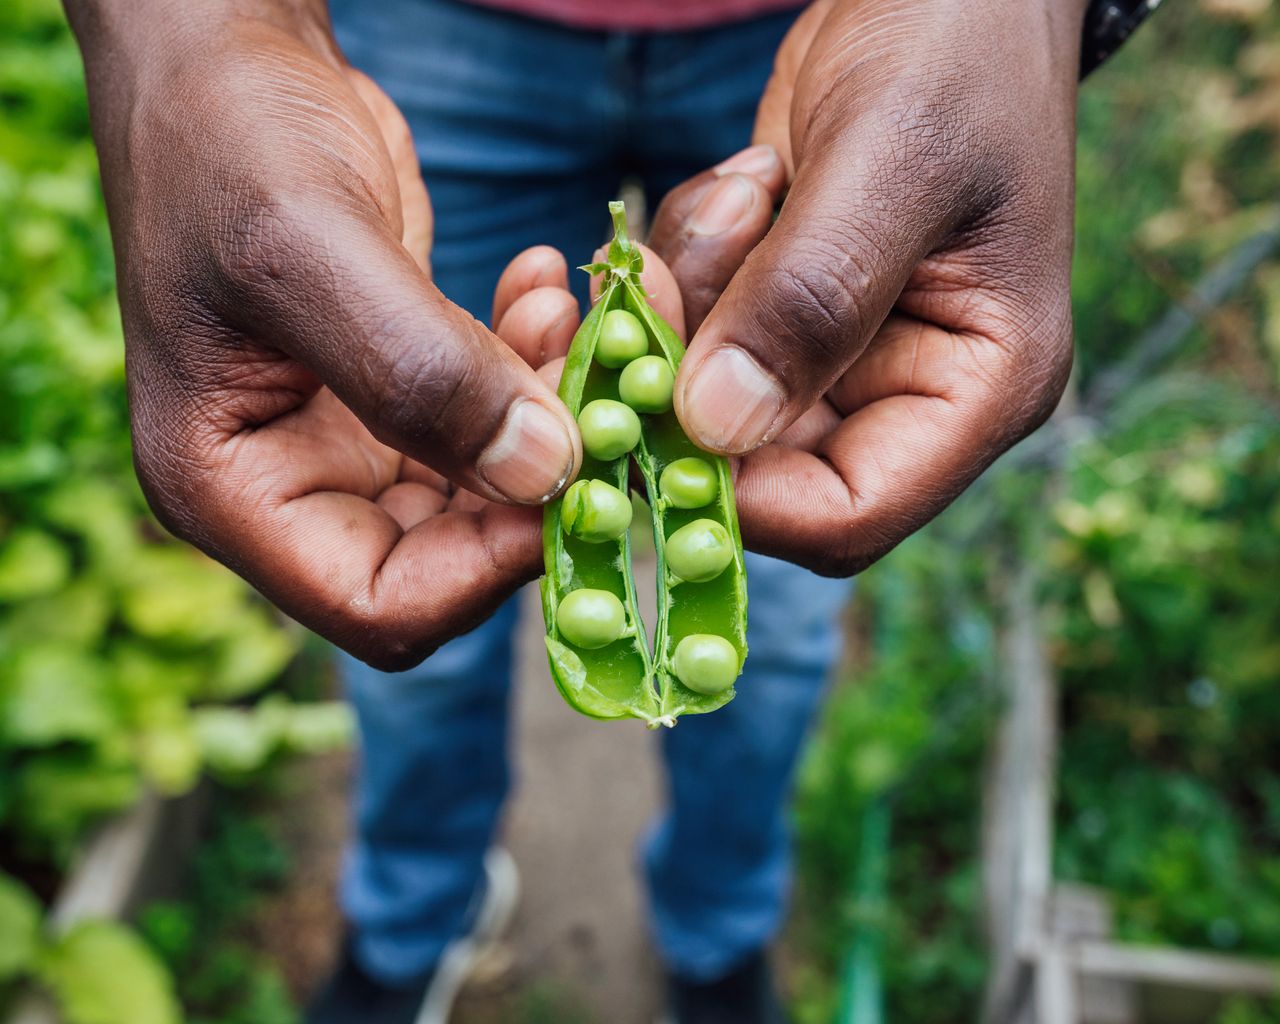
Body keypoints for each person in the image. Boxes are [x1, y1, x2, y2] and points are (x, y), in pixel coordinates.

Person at [64, 0, 1156, 1020]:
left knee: (769, 620)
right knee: (409, 532)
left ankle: (716, 935)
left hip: (820, 29)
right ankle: (408, 924)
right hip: (432, 27)